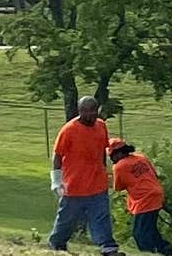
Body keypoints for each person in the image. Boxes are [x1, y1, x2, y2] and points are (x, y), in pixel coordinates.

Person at [49, 97, 120, 255]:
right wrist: (56, 181)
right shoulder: (69, 130)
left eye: (94, 110)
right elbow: (57, 156)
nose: (91, 114)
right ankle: (57, 243)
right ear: (80, 111)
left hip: (97, 184)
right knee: (67, 219)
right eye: (86, 111)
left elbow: (102, 150)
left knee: (101, 217)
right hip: (74, 185)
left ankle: (108, 247)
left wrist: (105, 171)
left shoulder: (101, 126)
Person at [109, 140, 172, 255]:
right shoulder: (141, 157)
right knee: (150, 229)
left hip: (143, 200)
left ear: (117, 153)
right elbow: (154, 173)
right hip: (156, 194)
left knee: (140, 234)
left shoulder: (119, 167)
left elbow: (118, 187)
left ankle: (149, 253)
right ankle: (165, 250)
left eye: (111, 155)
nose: (111, 159)